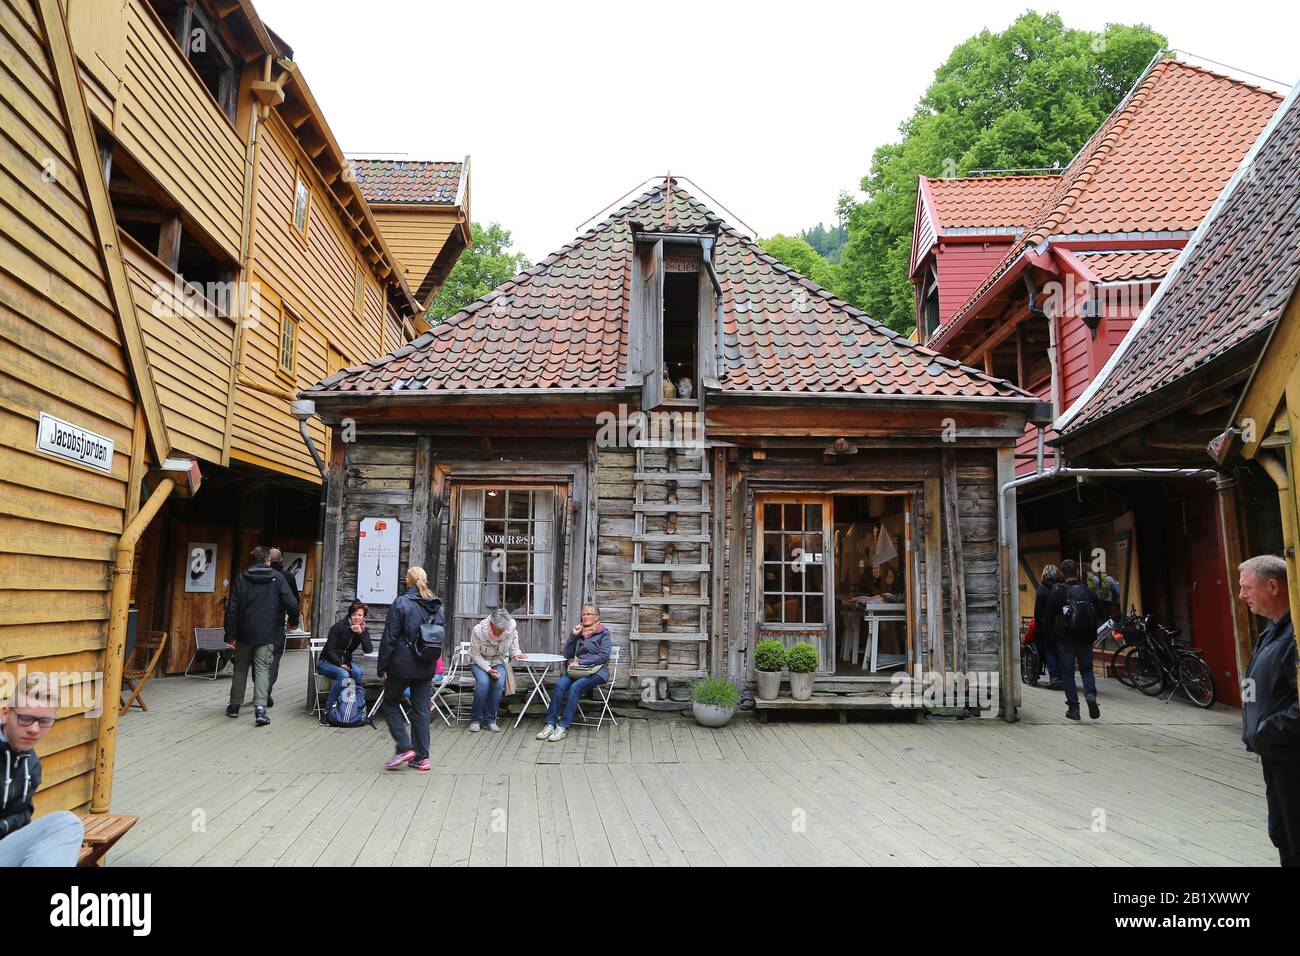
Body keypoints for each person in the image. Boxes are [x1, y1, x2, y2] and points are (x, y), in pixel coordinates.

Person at [1239, 555, 1300, 867]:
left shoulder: (1295, 634)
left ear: (1273, 586)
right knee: (1281, 833)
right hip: (1274, 754)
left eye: (1247, 587)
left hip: (1292, 757)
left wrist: (1266, 730)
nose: (1242, 595)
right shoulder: (1273, 629)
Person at [0, 676, 84, 866]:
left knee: (67, 825)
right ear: (5, 713)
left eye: (45, 721)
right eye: (25, 719)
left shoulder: (30, 763)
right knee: (65, 823)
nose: (34, 729)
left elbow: (23, 819)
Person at [224, 545, 299, 726]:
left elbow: (232, 609)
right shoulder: (278, 578)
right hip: (268, 632)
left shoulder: (242, 578)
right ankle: (260, 709)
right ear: (267, 561)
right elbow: (292, 603)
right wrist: (293, 620)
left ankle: (234, 705)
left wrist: (230, 635)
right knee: (263, 669)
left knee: (240, 668)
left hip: (244, 632)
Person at [377, 567, 442, 771]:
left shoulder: (402, 602)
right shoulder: (435, 605)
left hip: (402, 664)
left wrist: (383, 665)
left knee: (390, 703)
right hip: (426, 663)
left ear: (408, 581)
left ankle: (405, 747)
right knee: (421, 710)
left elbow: (390, 637)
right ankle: (422, 758)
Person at [537, 603, 611, 743]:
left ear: (597, 617)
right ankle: (551, 724)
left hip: (597, 672)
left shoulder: (604, 633)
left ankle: (563, 727)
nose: (585, 616)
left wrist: (582, 662)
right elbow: (568, 654)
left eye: (589, 614)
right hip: (577, 671)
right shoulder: (580, 633)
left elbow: (604, 656)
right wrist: (573, 635)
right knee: (559, 685)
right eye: (583, 614)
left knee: (575, 687)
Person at [1045, 558, 1102, 722]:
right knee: (1087, 670)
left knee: (1068, 674)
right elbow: (1100, 614)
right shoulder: (1088, 592)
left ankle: (1074, 709)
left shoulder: (1058, 593)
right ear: (1077, 572)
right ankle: (1090, 695)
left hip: (1066, 640)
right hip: (1086, 639)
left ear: (1062, 574)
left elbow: (1047, 617)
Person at [468, 607, 525, 733]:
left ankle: (490, 720)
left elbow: (514, 639)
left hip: (499, 661)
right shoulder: (478, 631)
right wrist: (488, 669)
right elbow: (475, 654)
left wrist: (516, 652)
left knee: (498, 684)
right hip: (479, 661)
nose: (500, 634)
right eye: (498, 631)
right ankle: (475, 719)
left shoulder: (511, 626)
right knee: (483, 683)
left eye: (502, 631)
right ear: (491, 624)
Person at [319, 601, 373, 716]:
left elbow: (368, 649)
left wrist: (361, 634)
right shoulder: (338, 627)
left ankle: (354, 705)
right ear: (349, 615)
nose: (356, 618)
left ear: (364, 617)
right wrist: (340, 664)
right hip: (326, 662)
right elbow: (330, 650)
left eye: (360, 615)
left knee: (358, 672)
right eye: (354, 615)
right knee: (343, 675)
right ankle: (328, 710)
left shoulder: (362, 629)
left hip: (345, 661)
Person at [265, 547, 302, 707]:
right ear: (281, 560)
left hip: (255, 623)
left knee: (257, 657)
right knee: (274, 658)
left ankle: (260, 689)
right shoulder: (287, 576)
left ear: (267, 560)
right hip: (276, 623)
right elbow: (294, 600)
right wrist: (293, 620)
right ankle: (265, 690)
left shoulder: (255, 574)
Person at [1033, 563, 1064, 690]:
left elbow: (1038, 611)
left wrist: (1038, 626)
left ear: (1044, 575)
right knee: (1061, 651)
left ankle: (1054, 678)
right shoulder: (1062, 587)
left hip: (1048, 625)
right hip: (1063, 625)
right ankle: (1063, 677)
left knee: (1050, 651)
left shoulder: (1042, 589)